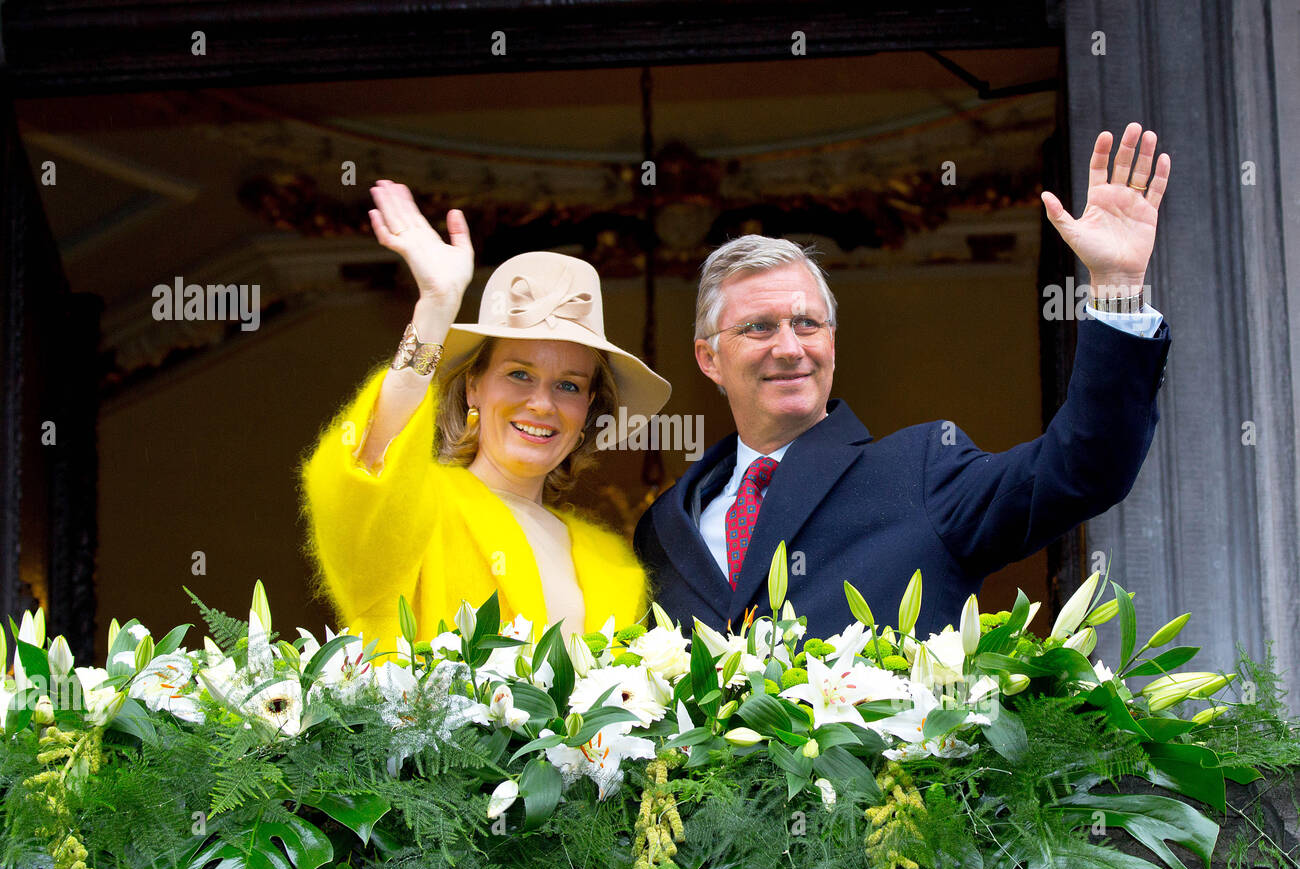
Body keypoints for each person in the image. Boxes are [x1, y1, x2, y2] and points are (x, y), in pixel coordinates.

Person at [635, 122, 1173, 640]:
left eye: (806, 324)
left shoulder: (921, 471)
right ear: (709, 359)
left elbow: (1082, 468)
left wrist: (1118, 289)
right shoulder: (664, 528)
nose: (790, 347)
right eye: (758, 327)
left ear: (833, 343)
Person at [301, 181, 671, 657]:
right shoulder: (419, 507)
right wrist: (435, 308)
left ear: (588, 410)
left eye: (569, 385)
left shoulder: (613, 562)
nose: (542, 403)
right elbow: (368, 464)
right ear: (474, 384)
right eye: (519, 374)